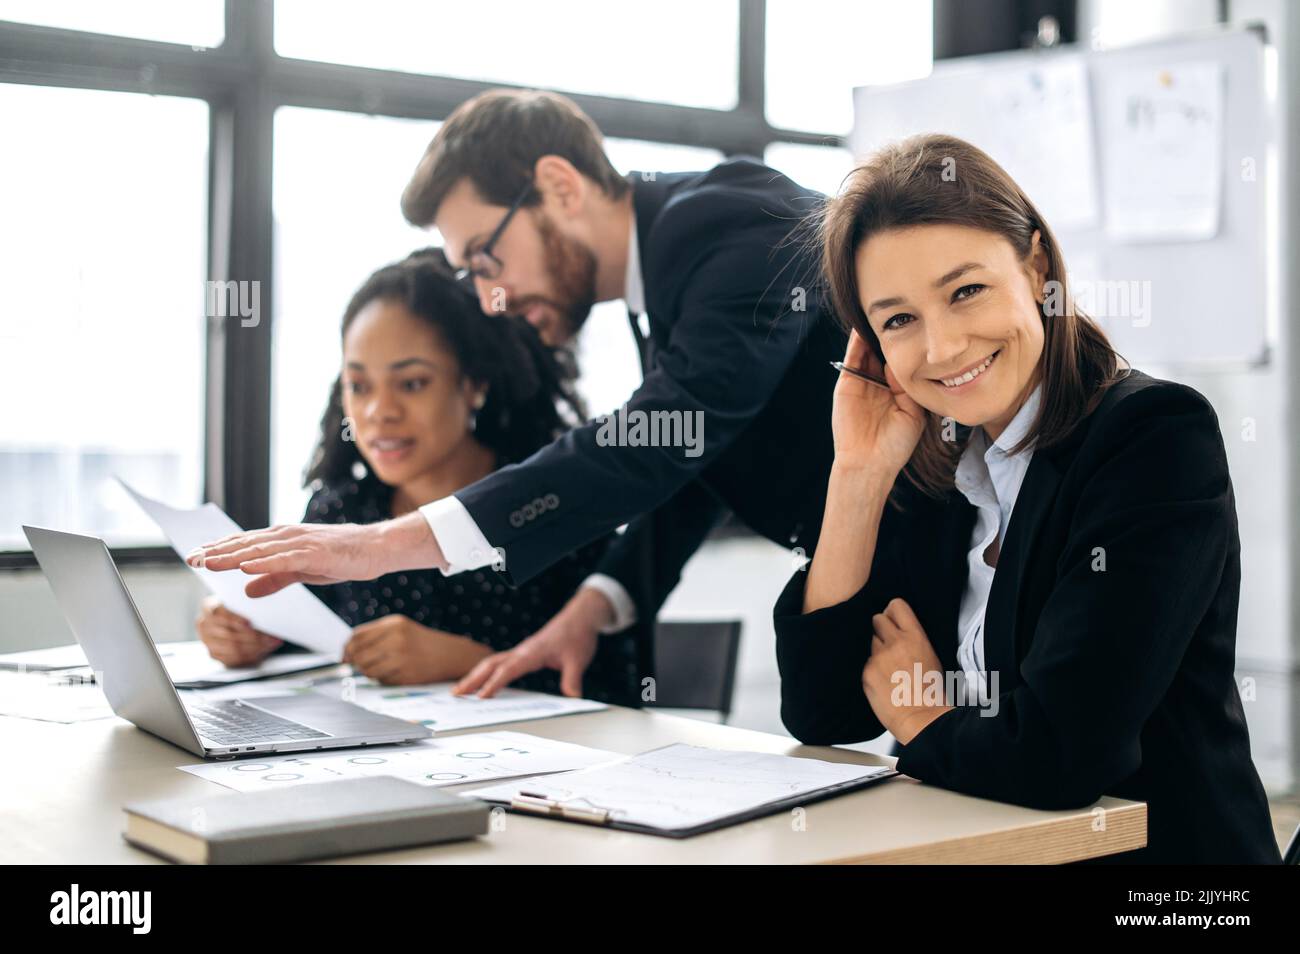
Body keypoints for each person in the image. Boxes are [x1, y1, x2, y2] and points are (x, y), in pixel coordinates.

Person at [186, 88, 845, 699]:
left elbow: (656, 439)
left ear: (559, 187)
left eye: (484, 259)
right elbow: (699, 457)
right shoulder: (667, 273)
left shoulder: (722, 227)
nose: (486, 299)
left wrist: (375, 546)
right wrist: (595, 606)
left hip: (936, 550)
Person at [774, 133, 1279, 863]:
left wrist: (925, 719)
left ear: (1036, 266)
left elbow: (1062, 755)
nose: (943, 347)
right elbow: (822, 710)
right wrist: (855, 475)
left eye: (966, 291)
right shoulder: (933, 458)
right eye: (899, 320)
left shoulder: (1153, 439)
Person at [195, 249, 638, 703]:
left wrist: (467, 662)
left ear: (474, 385)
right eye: (359, 386)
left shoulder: (551, 509)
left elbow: (619, 695)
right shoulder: (340, 511)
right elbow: (301, 632)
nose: (378, 412)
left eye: (411, 384)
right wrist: (245, 633)